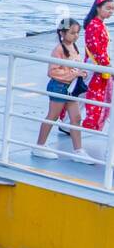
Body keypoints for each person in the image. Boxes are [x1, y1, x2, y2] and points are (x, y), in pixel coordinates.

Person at [35, 17, 92, 161]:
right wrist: (74, 73)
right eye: (72, 33)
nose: (76, 36)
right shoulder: (59, 50)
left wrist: (82, 72)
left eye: (77, 33)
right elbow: (52, 72)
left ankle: (78, 150)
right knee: (52, 116)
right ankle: (39, 146)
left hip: (70, 88)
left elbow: (77, 65)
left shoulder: (74, 47)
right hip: (59, 86)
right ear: (62, 33)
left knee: (76, 118)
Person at [81, 0, 114, 133]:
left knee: (85, 94)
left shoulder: (98, 24)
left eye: (112, 9)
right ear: (98, 8)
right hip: (95, 66)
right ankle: (84, 123)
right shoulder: (95, 25)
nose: (111, 11)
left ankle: (70, 122)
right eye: (108, 8)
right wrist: (106, 66)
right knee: (89, 94)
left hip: (97, 65)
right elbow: (96, 49)